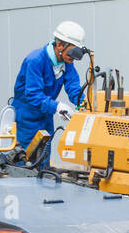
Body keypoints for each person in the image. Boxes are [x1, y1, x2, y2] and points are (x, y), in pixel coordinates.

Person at [11, 20, 89, 159]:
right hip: (26, 119)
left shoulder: (66, 61)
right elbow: (33, 94)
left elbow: (74, 88)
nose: (73, 59)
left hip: (45, 117)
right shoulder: (35, 60)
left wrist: (85, 104)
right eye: (71, 53)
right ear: (59, 44)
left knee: (43, 159)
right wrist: (57, 106)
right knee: (25, 161)